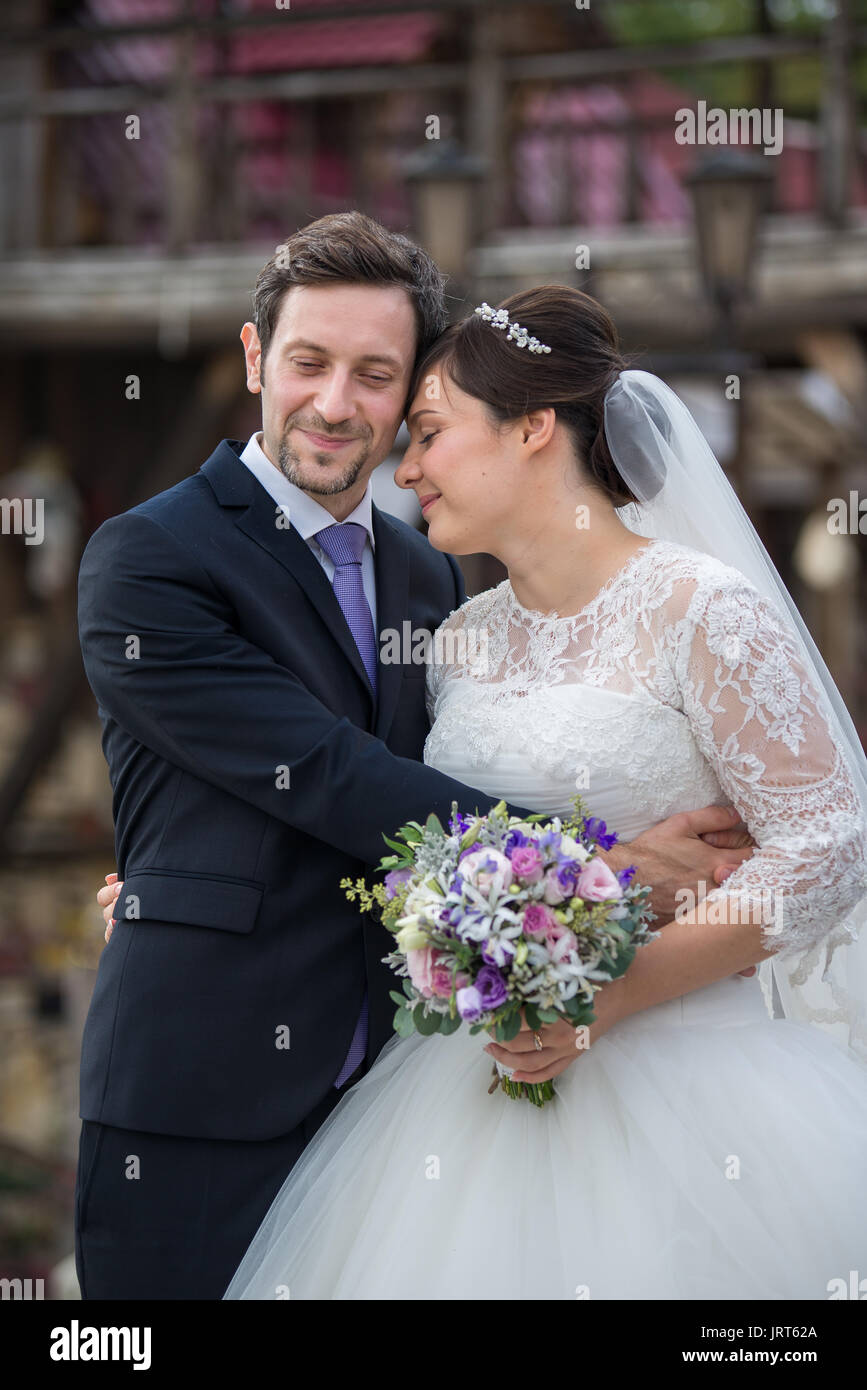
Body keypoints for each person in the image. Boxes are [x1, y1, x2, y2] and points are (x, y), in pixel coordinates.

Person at [76, 218, 746, 1300]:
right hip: (200, 1099)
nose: (336, 403)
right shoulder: (150, 557)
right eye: (308, 362)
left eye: (375, 374)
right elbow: (329, 773)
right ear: (256, 358)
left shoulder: (428, 573)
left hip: (403, 1095)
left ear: (408, 391)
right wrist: (604, 860)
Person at [222, 285, 867, 1301]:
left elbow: (830, 844)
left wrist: (610, 994)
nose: (408, 464)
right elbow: (388, 820)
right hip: (461, 1102)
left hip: (696, 1093)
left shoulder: (702, 609)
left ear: (532, 427)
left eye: (430, 433)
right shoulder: (458, 640)